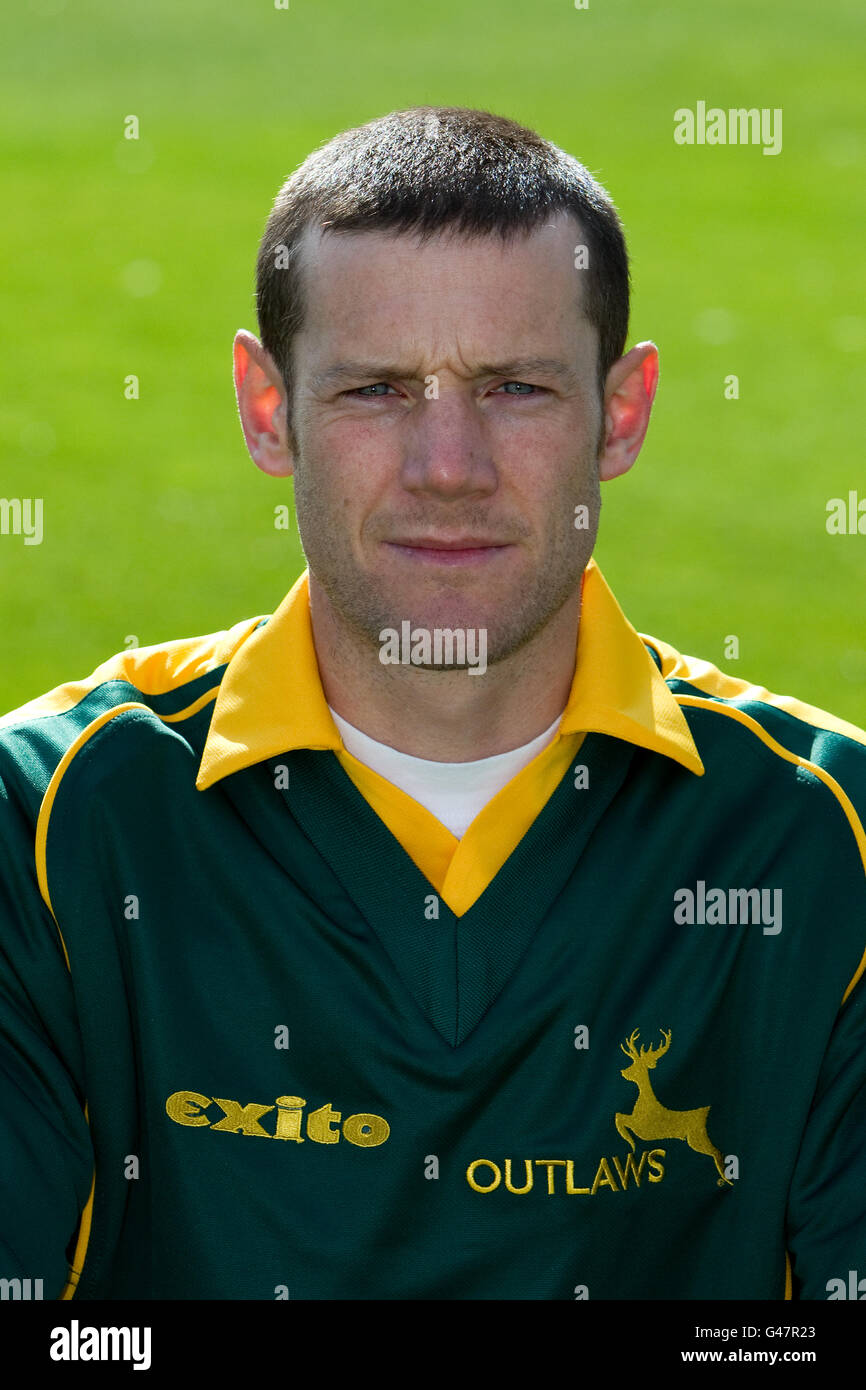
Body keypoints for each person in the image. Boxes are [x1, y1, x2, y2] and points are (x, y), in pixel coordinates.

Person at [1, 106, 863, 1302]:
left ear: (621, 413)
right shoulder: (45, 819)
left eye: (513, 387)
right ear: (267, 409)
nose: (446, 465)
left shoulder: (827, 833)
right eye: (375, 391)